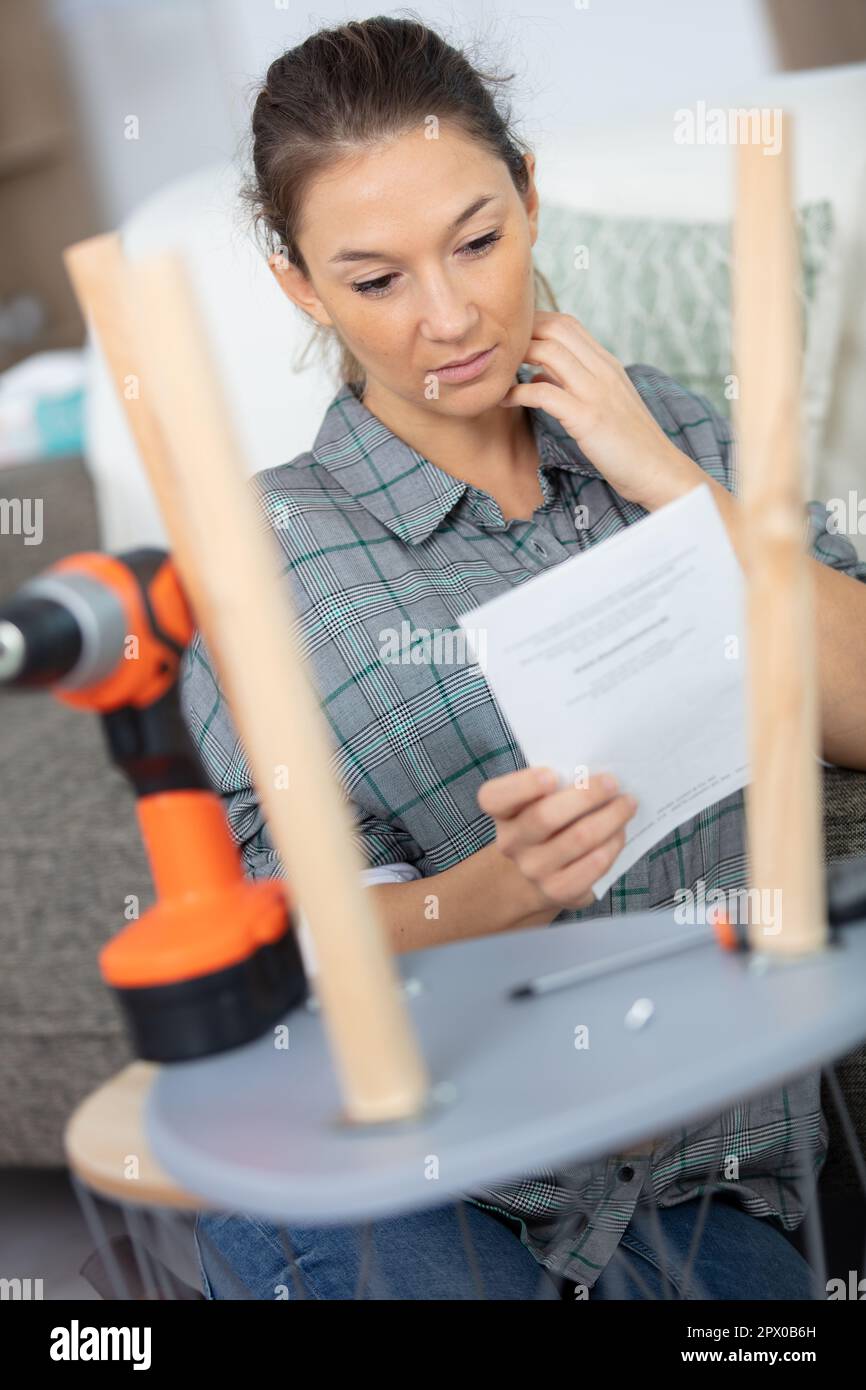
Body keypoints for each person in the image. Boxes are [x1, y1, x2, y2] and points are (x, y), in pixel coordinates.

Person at [180, 15, 866, 1300]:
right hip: (413, 1167)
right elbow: (282, 952)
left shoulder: (674, 427)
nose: (448, 318)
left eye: (478, 241)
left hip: (699, 1181)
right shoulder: (261, 557)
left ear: (531, 196)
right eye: (375, 280)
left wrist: (668, 485)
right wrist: (497, 891)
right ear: (299, 288)